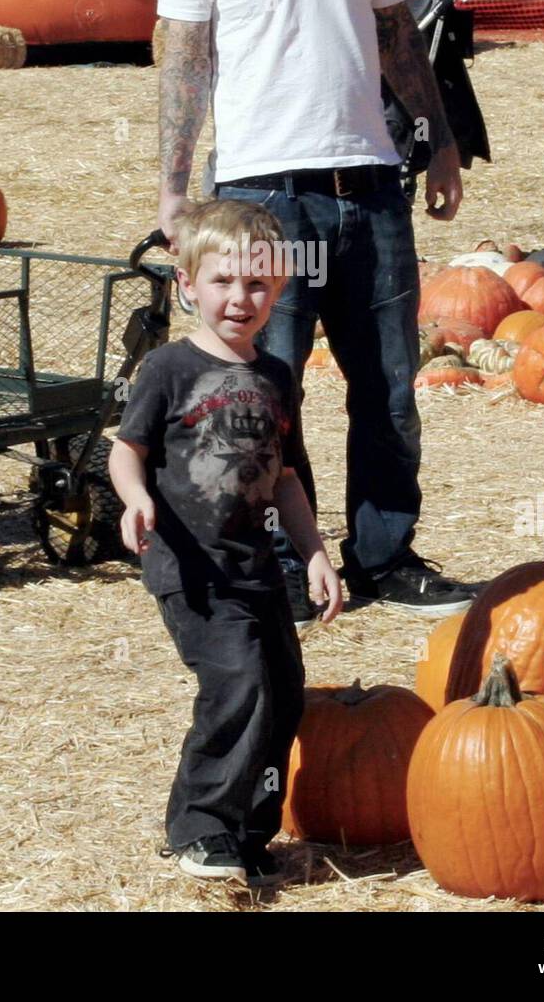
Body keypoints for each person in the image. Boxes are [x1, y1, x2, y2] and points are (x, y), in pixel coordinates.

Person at [155, 0, 477, 621]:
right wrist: (174, 193)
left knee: (387, 384)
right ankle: (274, 566)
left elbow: (396, 34)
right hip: (263, 195)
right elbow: (183, 64)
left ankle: (385, 555)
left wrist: (437, 141)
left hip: (367, 181)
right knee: (265, 389)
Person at [109, 198, 342, 887]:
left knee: (283, 691)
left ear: (277, 291)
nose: (239, 297)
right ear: (187, 284)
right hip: (191, 567)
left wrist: (315, 552)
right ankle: (199, 826)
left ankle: (245, 832)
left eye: (257, 285)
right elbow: (125, 450)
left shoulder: (276, 377)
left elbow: (288, 477)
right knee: (237, 683)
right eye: (223, 281)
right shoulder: (167, 370)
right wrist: (138, 497)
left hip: (257, 566)